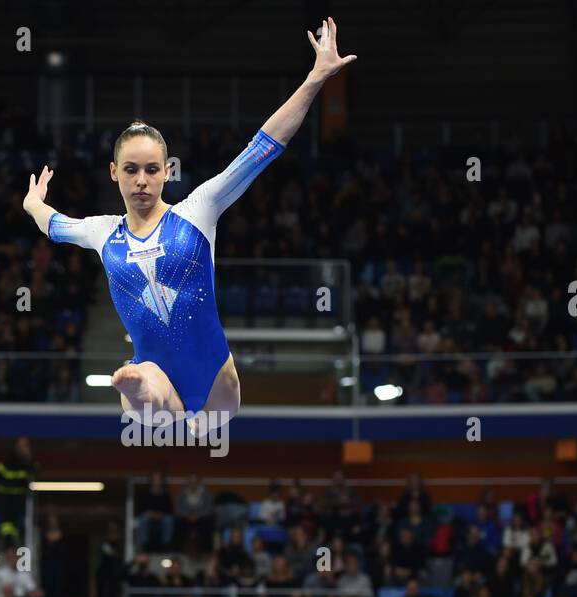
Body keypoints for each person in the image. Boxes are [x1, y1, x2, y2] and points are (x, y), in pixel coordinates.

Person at [23, 18, 356, 431]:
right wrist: (33, 203)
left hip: (216, 382)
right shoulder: (102, 231)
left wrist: (315, 79)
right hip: (154, 377)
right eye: (130, 170)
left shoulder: (197, 210)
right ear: (113, 172)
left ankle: (165, 405)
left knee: (204, 417)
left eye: (150, 169)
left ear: (167, 172)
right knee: (144, 391)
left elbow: (264, 147)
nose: (141, 180)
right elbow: (54, 225)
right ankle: (141, 387)